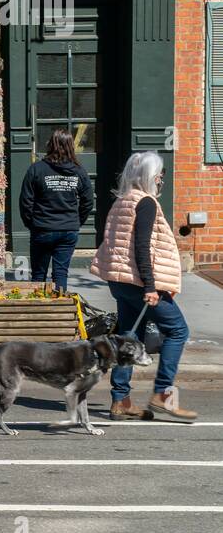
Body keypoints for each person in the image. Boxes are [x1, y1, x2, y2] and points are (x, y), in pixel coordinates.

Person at [90, 152, 198, 422]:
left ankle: (120, 401)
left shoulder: (122, 201)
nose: (161, 177)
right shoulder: (146, 202)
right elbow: (142, 247)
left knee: (130, 336)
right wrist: (151, 286)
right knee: (177, 330)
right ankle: (163, 395)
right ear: (149, 175)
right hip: (139, 282)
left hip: (120, 281)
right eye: (159, 173)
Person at [20, 129, 93, 294]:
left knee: (38, 274)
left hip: (42, 228)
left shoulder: (37, 169)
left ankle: (36, 311)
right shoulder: (79, 171)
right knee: (61, 273)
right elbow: (88, 201)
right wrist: (76, 222)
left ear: (50, 145)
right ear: (70, 146)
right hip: (68, 230)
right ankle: (59, 310)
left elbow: (26, 201)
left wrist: (31, 223)